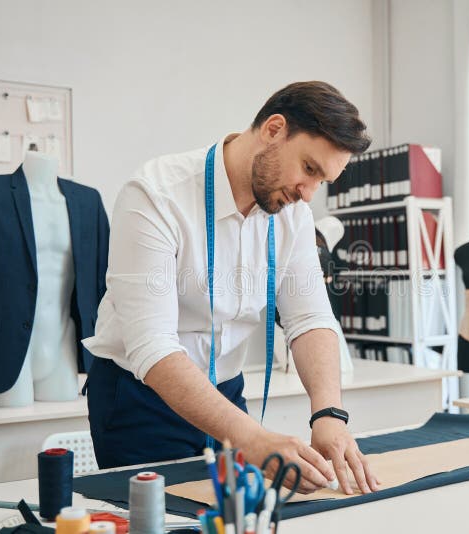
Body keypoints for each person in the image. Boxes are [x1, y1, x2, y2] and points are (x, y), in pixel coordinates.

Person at [83, 81, 379, 495]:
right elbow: (153, 347)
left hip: (226, 394)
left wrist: (329, 414)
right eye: (309, 169)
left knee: (236, 517)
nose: (307, 194)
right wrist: (252, 438)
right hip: (141, 399)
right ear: (274, 129)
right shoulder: (155, 194)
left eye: (321, 181)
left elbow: (309, 317)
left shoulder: (291, 211)